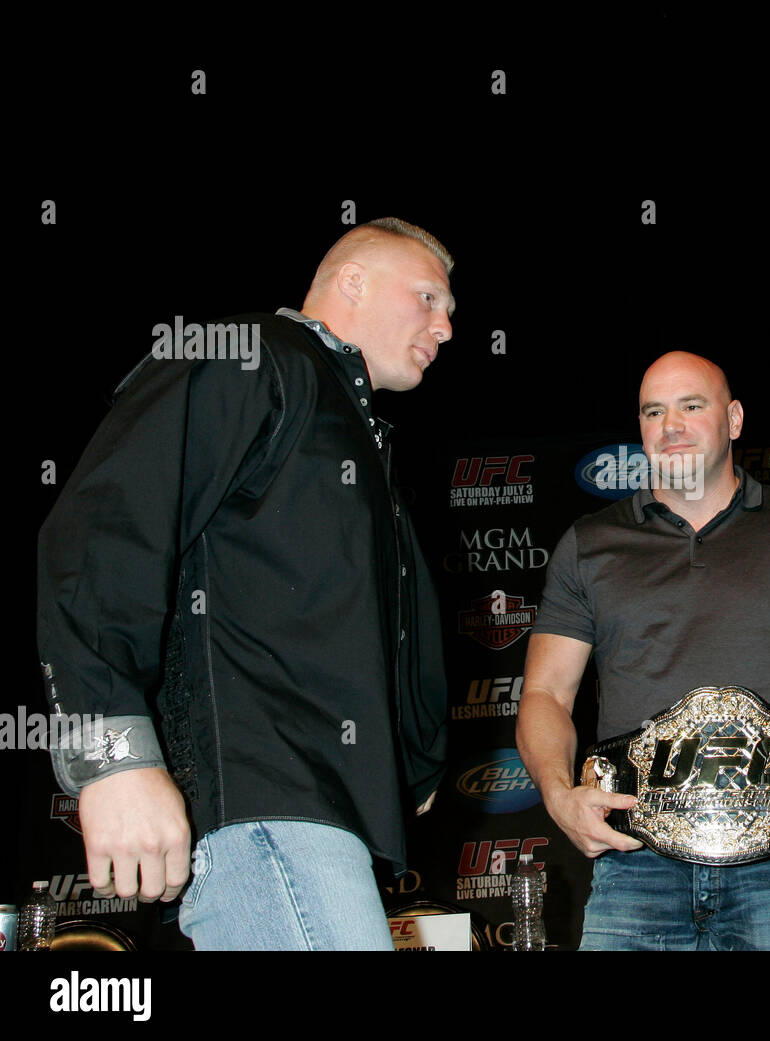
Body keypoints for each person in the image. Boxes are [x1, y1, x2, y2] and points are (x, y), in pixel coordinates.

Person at [36, 217, 455, 950]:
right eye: (428, 298)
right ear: (352, 281)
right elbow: (104, 527)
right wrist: (112, 756)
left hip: (323, 814)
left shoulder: (357, 432)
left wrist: (412, 763)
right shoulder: (251, 354)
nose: (445, 327)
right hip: (268, 803)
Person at [516, 350, 770, 950]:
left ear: (734, 419)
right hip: (634, 863)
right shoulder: (590, 544)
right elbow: (546, 693)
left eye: (691, 406)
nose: (670, 426)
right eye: (653, 411)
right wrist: (557, 794)